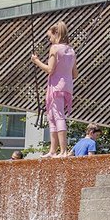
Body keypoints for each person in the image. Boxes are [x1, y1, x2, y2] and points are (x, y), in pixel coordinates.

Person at [30, 21, 76, 158]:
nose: (49, 40)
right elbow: (75, 74)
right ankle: (52, 150)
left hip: (55, 88)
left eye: (50, 37)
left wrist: (36, 61)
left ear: (56, 34)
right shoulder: (71, 50)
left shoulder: (54, 48)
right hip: (66, 87)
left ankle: (62, 151)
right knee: (51, 116)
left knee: (58, 116)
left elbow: (50, 69)